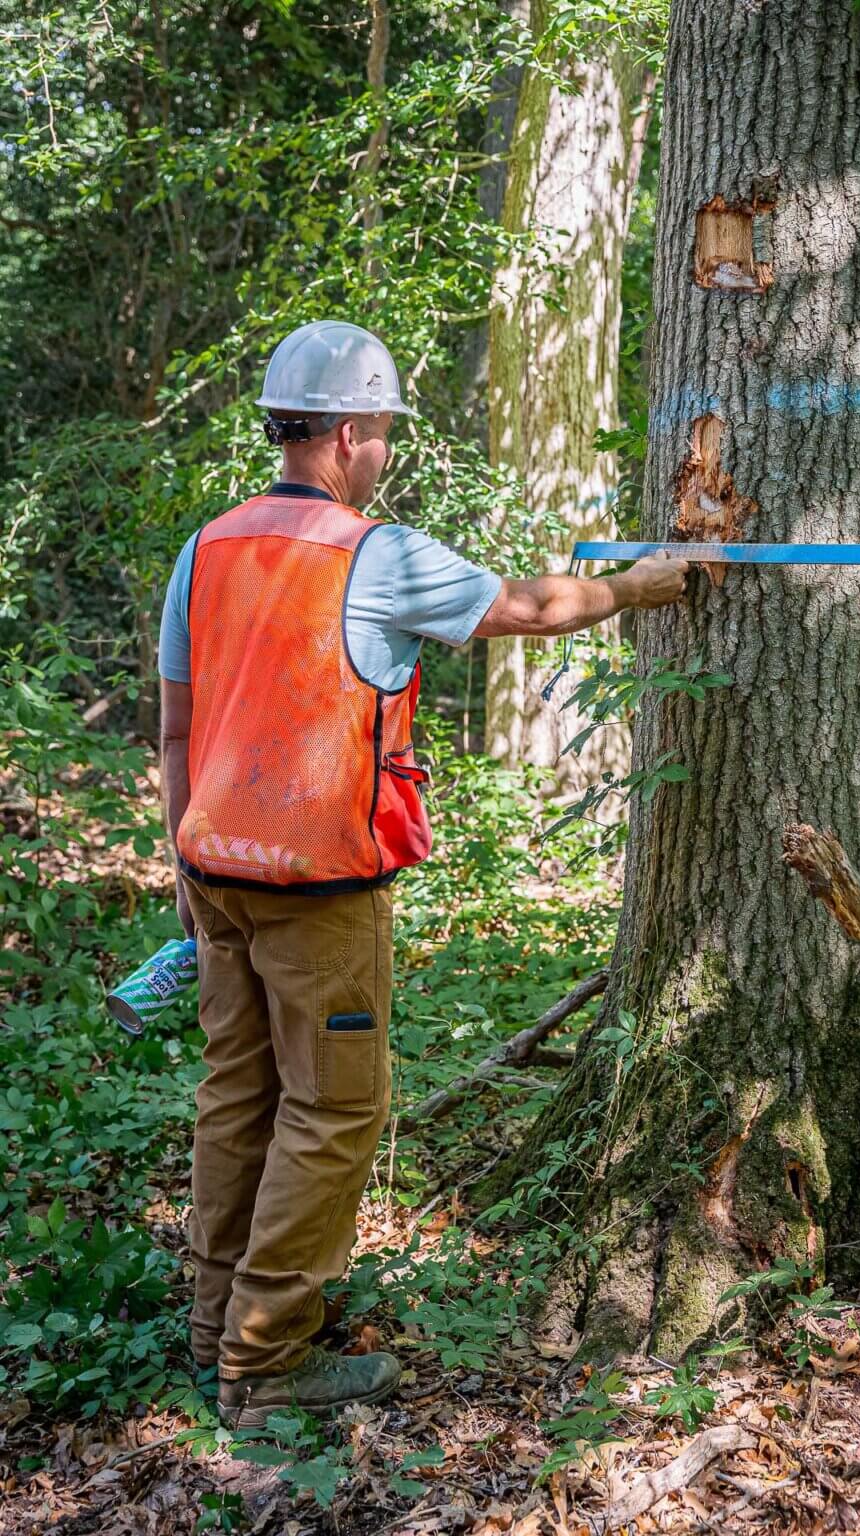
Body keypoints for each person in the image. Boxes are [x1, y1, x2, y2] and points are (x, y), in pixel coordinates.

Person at [157, 320, 689, 1429]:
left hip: (214, 872)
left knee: (236, 1098)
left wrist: (181, 866)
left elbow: (174, 729)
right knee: (333, 1112)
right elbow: (530, 608)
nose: (385, 451)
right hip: (318, 889)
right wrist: (642, 589)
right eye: (384, 433)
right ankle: (264, 1361)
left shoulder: (205, 549)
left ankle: (215, 1328)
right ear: (348, 434)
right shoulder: (373, 554)